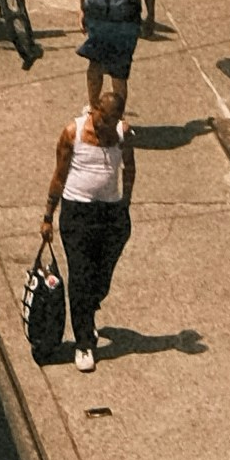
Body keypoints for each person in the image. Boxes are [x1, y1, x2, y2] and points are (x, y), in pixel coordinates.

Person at [43, 87, 136, 354]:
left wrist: (126, 201)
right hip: (77, 213)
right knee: (81, 275)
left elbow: (130, 167)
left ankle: (89, 303)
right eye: (103, 119)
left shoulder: (123, 134)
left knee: (101, 276)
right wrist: (48, 217)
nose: (106, 126)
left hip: (110, 213)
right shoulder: (73, 133)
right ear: (94, 109)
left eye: (113, 121)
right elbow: (59, 175)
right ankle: (84, 342)